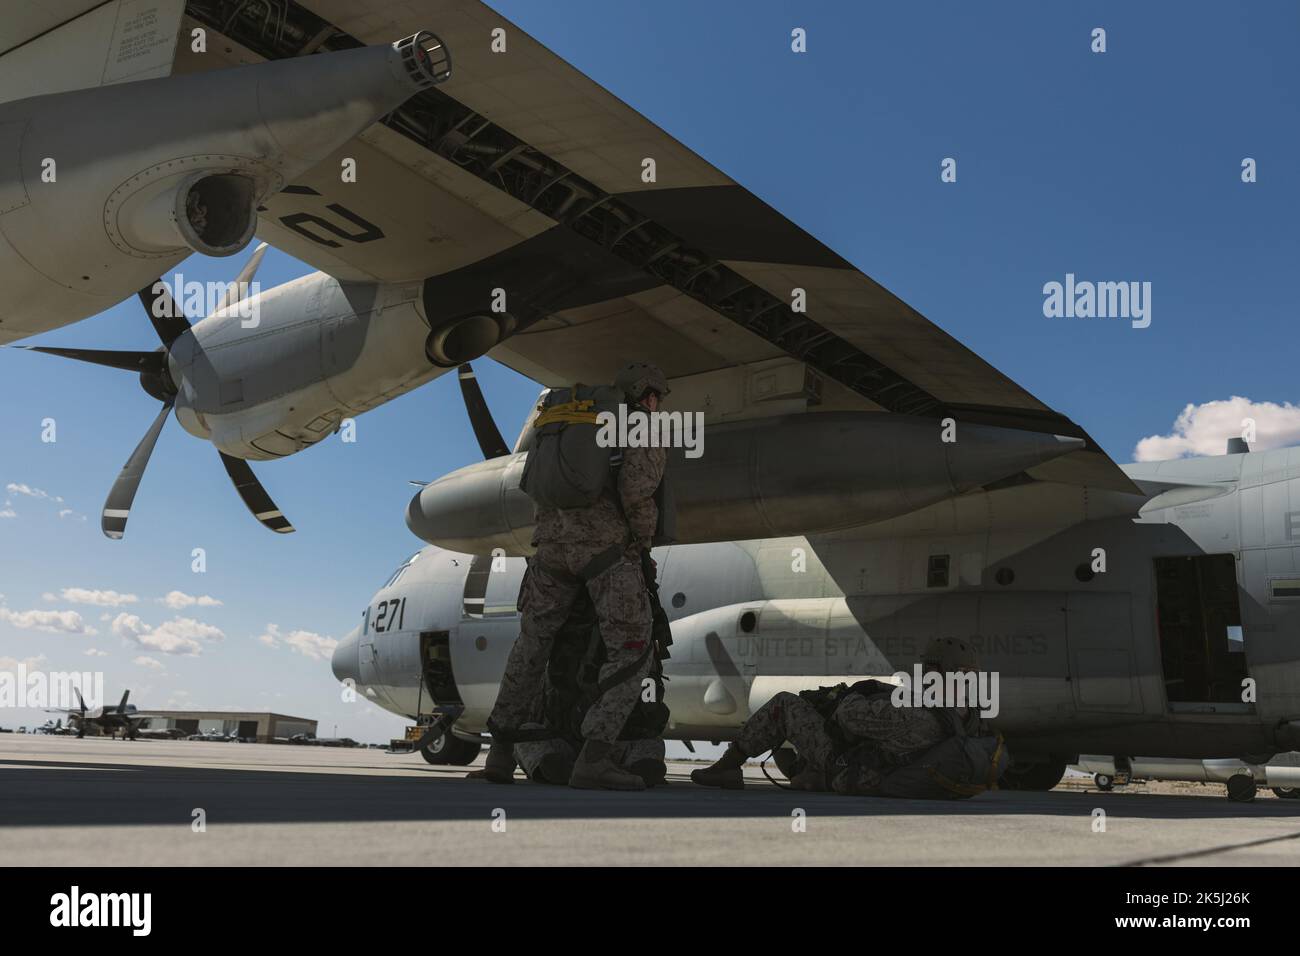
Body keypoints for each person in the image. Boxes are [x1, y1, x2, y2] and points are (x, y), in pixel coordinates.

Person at [471, 363, 670, 790]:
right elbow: (637, 491)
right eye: (656, 396)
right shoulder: (641, 425)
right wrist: (642, 540)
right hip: (605, 552)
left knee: (531, 646)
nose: (657, 403)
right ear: (646, 394)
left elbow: (535, 486)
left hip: (549, 552)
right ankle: (595, 755)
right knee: (634, 649)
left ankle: (501, 753)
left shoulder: (566, 422)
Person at [691, 637, 1004, 797]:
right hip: (907, 774)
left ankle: (727, 768)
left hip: (855, 777)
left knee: (786, 705)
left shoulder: (914, 714)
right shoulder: (969, 717)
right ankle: (809, 775)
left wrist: (856, 691)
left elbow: (848, 716)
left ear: (936, 670)